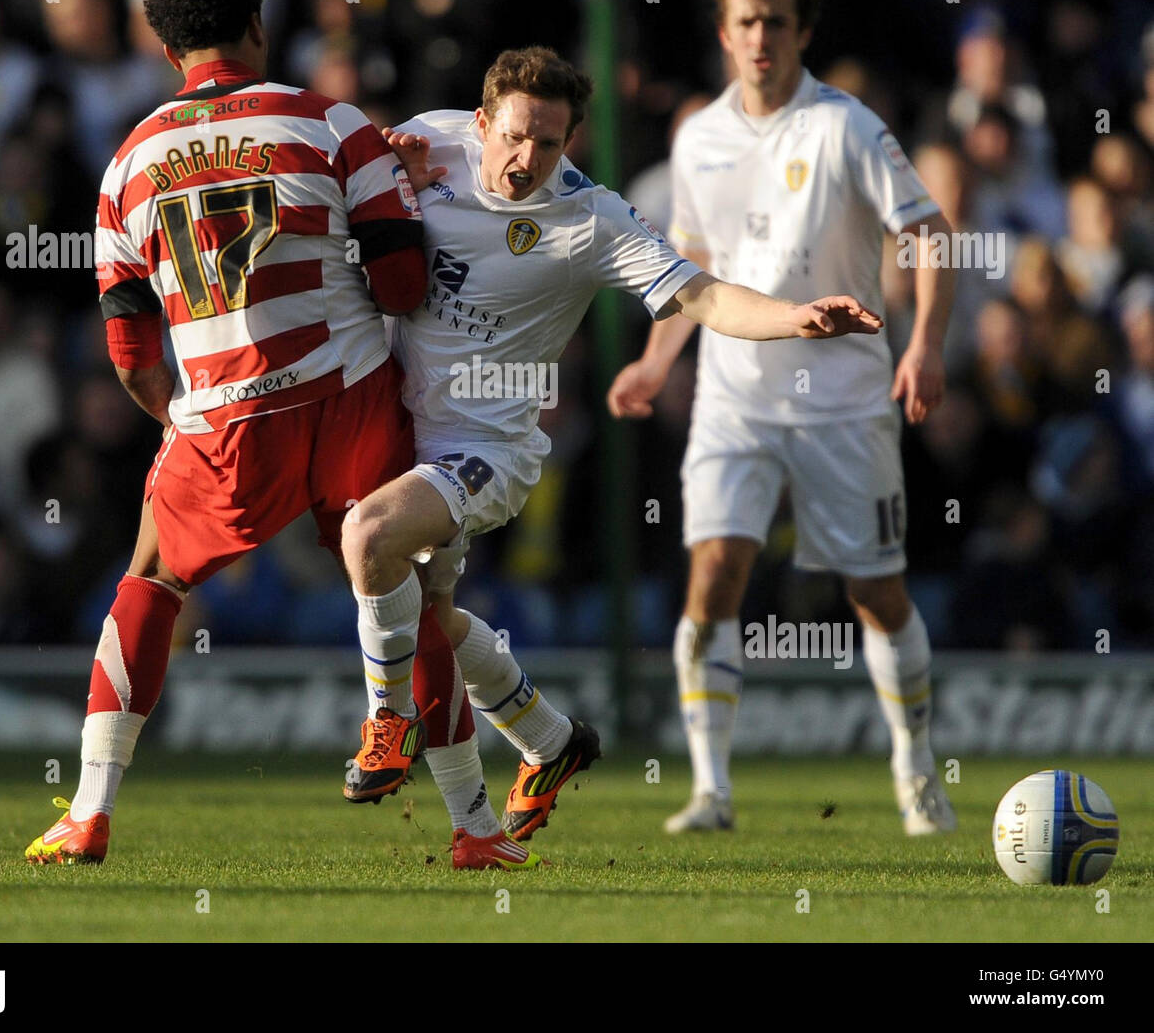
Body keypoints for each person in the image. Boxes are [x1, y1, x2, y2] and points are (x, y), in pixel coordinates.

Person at [345, 45, 883, 867]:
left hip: (486, 450)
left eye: (552, 144)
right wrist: (390, 181)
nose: (530, 159)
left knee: (369, 536)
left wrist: (796, 317)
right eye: (518, 136)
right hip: (399, 428)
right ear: (482, 122)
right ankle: (548, 743)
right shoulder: (428, 144)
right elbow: (357, 230)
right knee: (434, 623)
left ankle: (388, 725)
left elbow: (700, 293)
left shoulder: (593, 220)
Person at [25, 0, 428, 864]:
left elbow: (129, 357)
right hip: (349, 395)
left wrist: (181, 413)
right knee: (414, 574)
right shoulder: (332, 125)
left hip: (221, 420)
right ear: (259, 25)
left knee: (151, 580)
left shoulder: (126, 167)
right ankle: (460, 807)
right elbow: (403, 286)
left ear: (166, 50)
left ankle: (89, 809)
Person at [607, 0, 960, 836]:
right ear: (724, 35)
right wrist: (657, 362)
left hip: (845, 399)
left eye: (775, 21)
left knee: (876, 592)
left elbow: (931, 230)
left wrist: (924, 345)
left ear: (801, 31)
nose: (760, 36)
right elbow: (694, 274)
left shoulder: (846, 127)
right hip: (735, 394)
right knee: (713, 572)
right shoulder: (699, 138)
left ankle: (915, 767)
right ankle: (711, 788)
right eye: (745, 22)